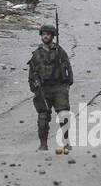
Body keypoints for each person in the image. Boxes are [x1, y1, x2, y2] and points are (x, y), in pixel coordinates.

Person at [27, 23, 72, 151]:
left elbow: (68, 68)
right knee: (43, 118)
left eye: (48, 34)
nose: (45, 36)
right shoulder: (36, 54)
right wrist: (35, 89)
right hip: (43, 89)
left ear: (52, 36)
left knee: (64, 115)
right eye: (44, 34)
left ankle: (66, 141)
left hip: (59, 87)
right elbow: (31, 74)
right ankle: (43, 144)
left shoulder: (59, 51)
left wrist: (67, 85)